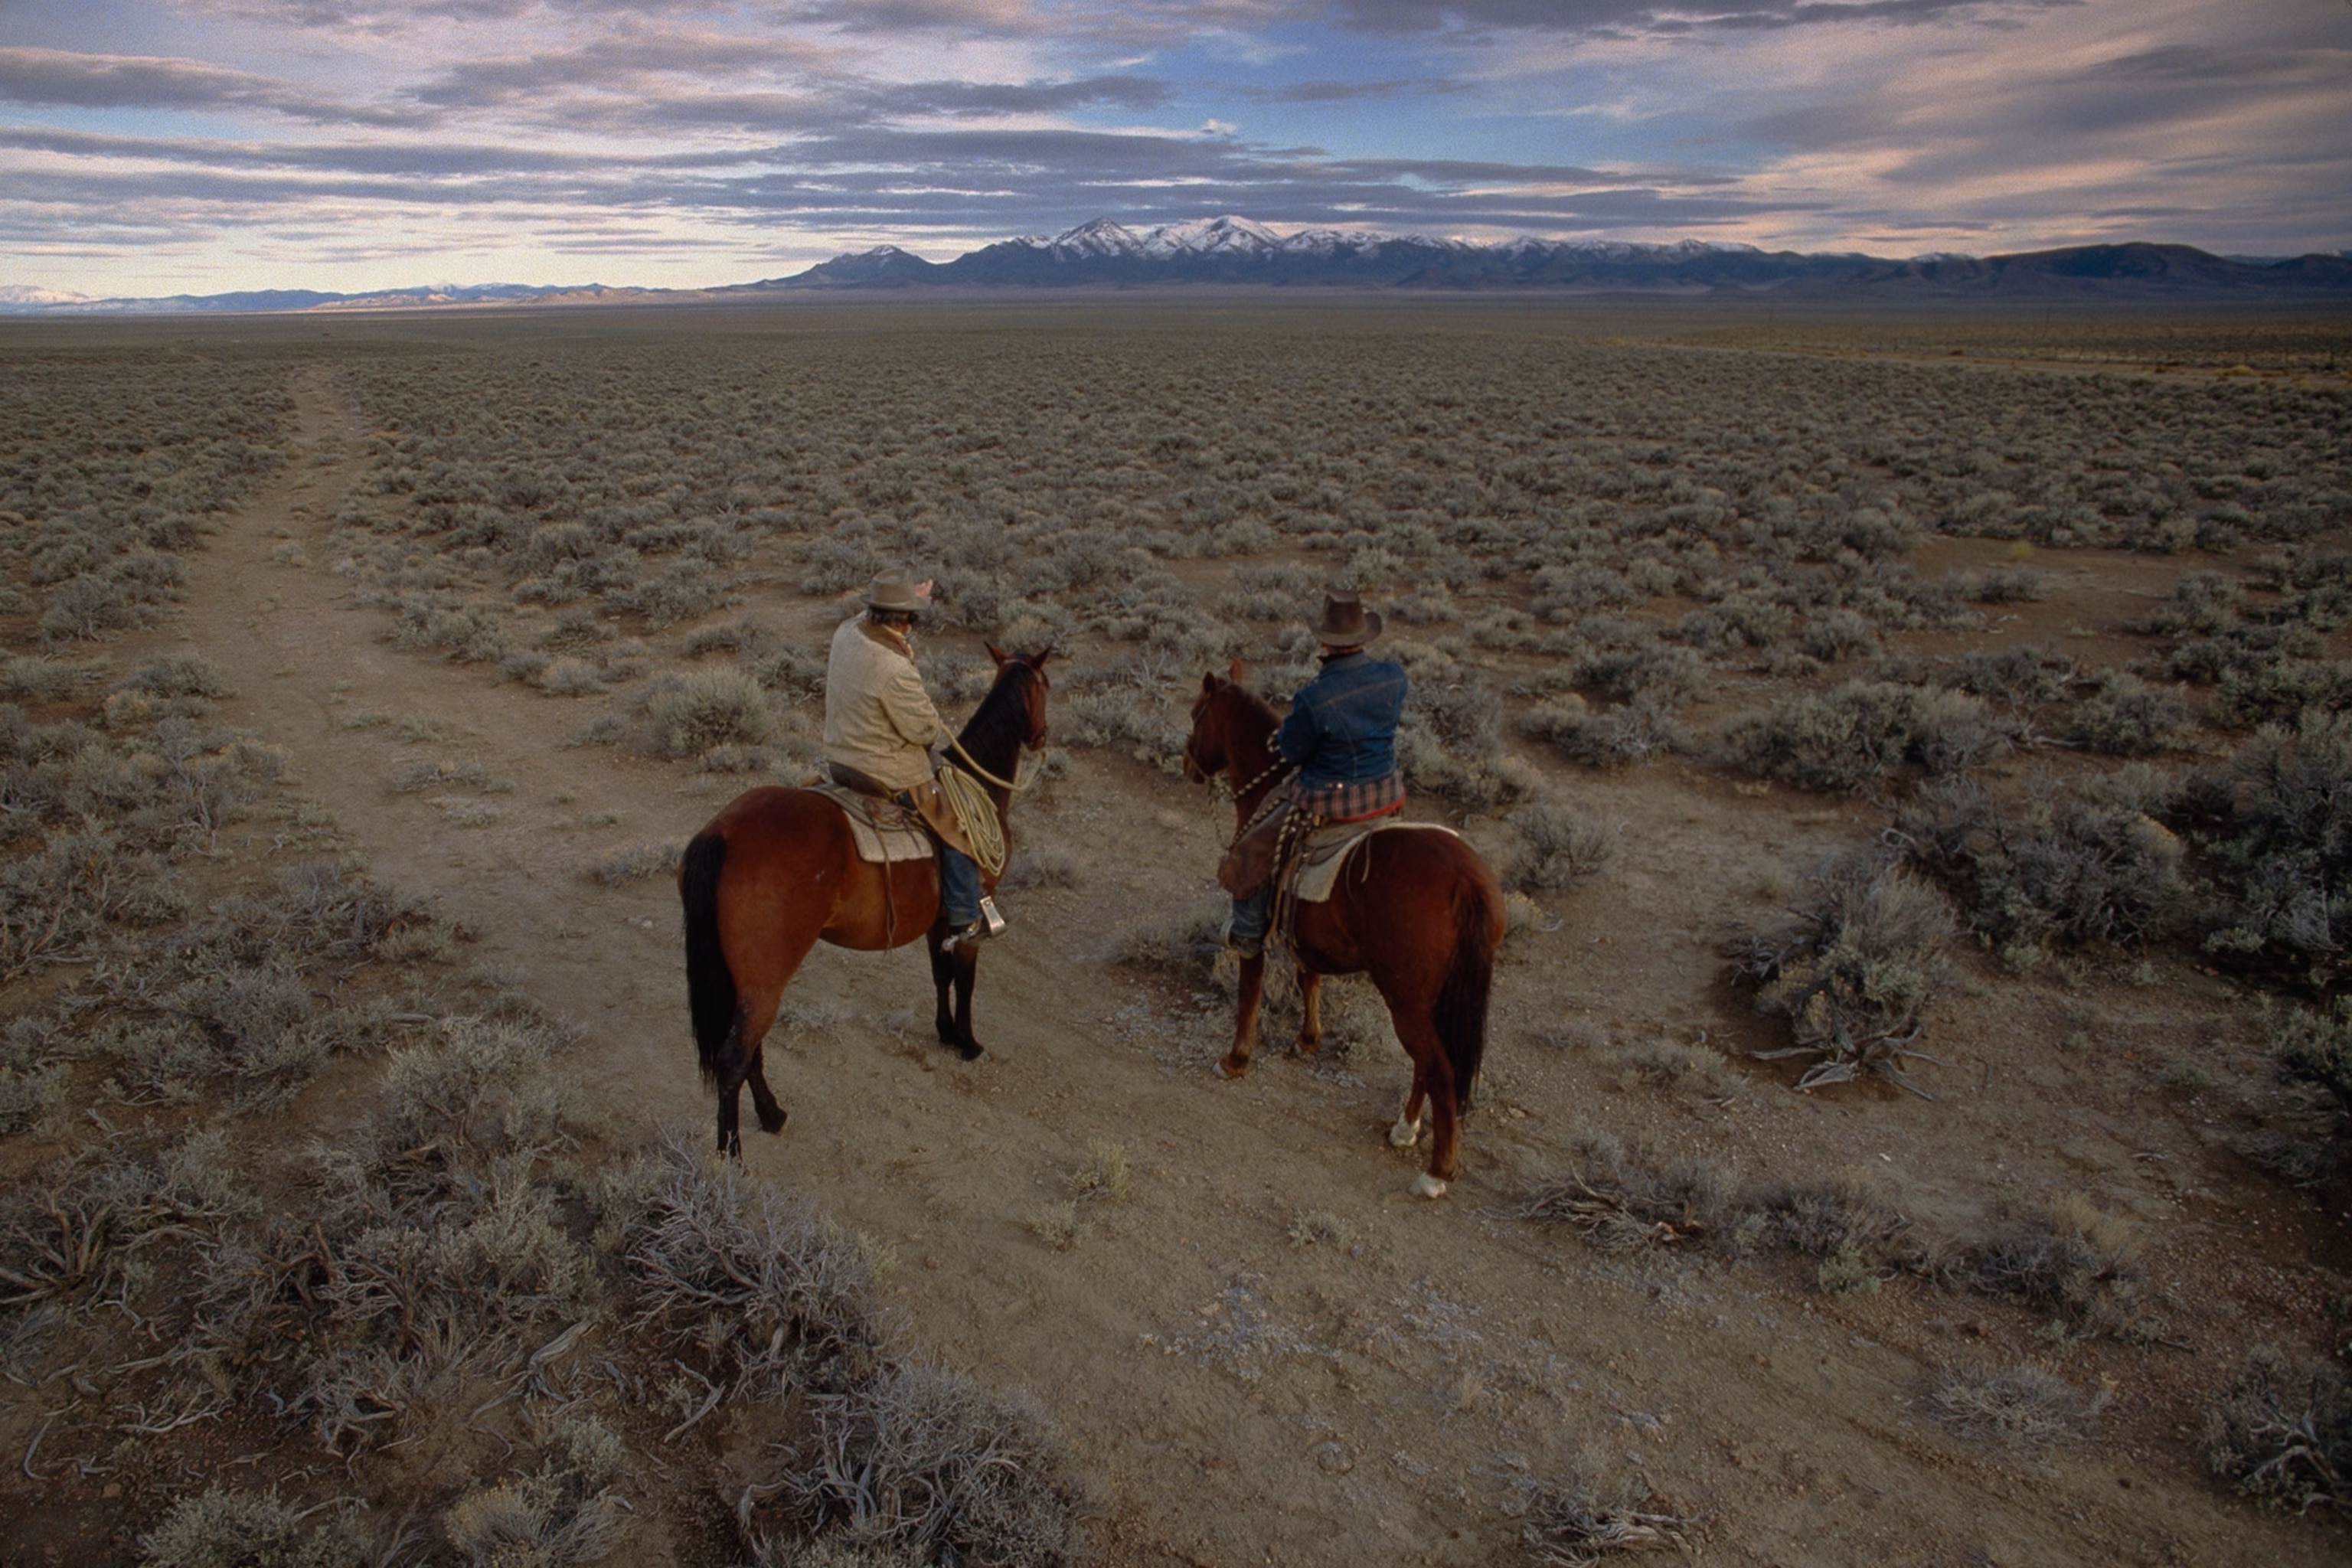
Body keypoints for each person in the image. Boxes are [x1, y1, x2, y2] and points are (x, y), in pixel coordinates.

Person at [1223, 588, 1408, 959]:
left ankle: (1246, 931)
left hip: (1329, 798)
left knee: (1251, 845)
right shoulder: (1394, 677)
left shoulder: (1316, 697)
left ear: (1324, 641)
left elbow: (1291, 752)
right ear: (1362, 637)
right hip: (1386, 790)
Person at [822, 569, 997, 949]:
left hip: (841, 760)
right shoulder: (894, 668)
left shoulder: (846, 632)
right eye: (912, 613)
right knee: (957, 819)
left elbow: (861, 617)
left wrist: (906, 595)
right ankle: (966, 915)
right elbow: (924, 733)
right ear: (905, 620)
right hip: (886, 771)